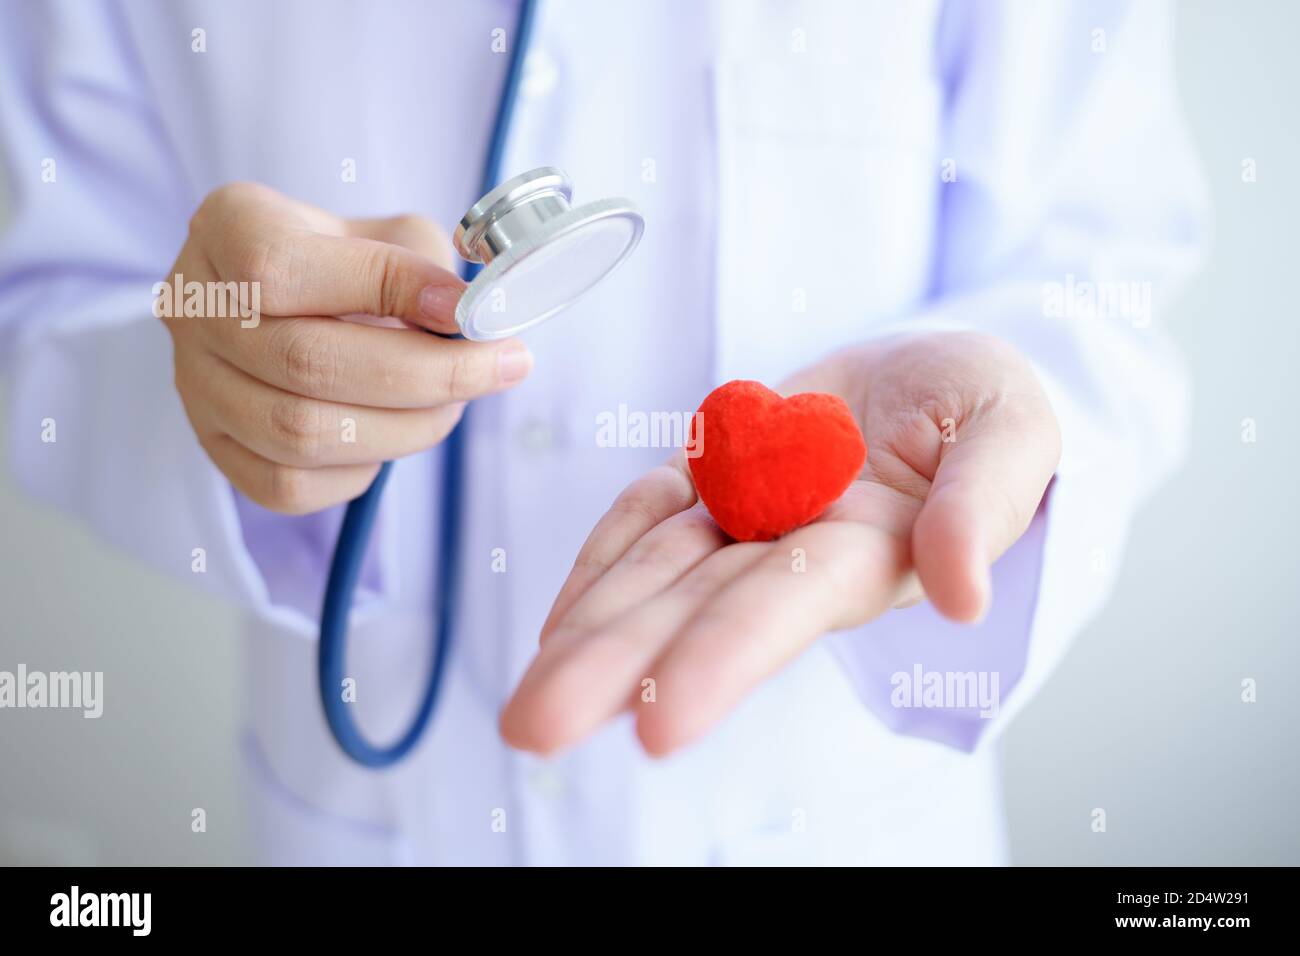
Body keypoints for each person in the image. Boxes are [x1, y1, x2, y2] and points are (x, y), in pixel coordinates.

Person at [0, 0, 1206, 865]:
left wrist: (1019, 388)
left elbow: (1101, 265)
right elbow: (42, 304)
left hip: (836, 815)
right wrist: (217, 374)